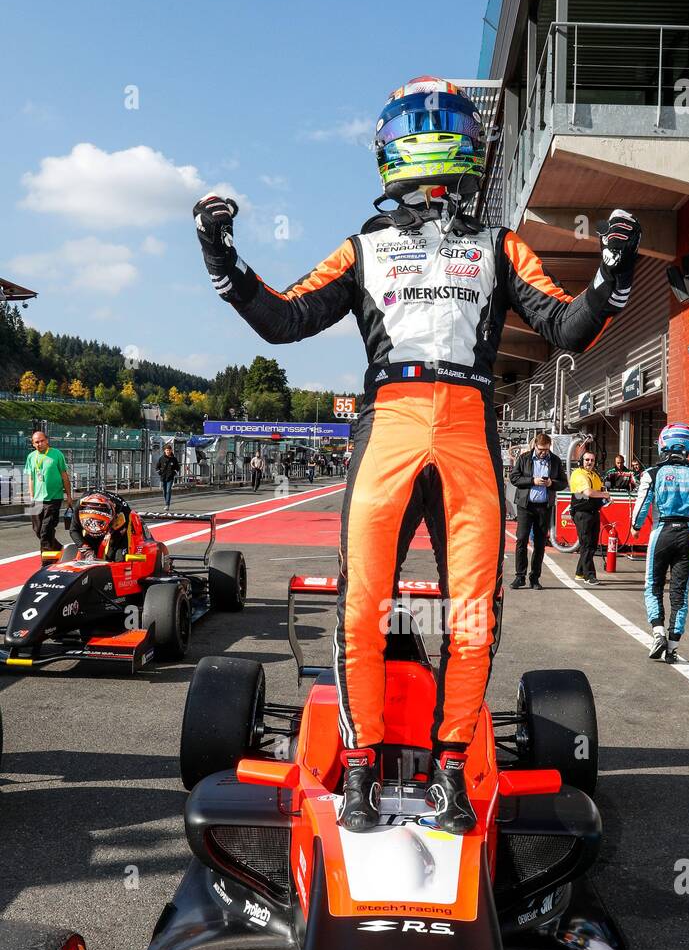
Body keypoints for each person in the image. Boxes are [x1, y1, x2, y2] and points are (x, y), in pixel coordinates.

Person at [193, 75, 640, 832]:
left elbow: (565, 330)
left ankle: (454, 770)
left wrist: (613, 278)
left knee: (473, 614)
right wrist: (224, 264)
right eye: (421, 125)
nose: (432, 135)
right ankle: (361, 769)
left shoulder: (502, 246)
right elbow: (286, 319)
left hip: (465, 425)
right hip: (395, 424)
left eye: (443, 124)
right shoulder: (366, 246)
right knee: (362, 606)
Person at [631, 423, 689, 663]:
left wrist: (636, 527)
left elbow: (642, 507)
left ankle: (658, 633)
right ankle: (674, 646)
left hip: (662, 531)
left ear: (664, 444)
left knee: (653, 585)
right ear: (688, 446)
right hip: (686, 534)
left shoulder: (653, 473)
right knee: (680, 592)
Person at [509, 431, 567, 588]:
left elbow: (563, 482)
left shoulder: (554, 461)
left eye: (546, 450)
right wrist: (532, 481)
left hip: (544, 507)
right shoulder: (524, 458)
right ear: (535, 445)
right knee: (521, 539)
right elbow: (514, 478)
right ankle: (520, 576)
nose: (543, 453)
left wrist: (551, 484)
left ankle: (535, 578)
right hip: (526, 506)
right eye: (541, 449)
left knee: (540, 542)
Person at [25, 429, 73, 552]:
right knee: (37, 529)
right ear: (33, 444)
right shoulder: (31, 457)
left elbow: (64, 476)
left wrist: (69, 496)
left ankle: (46, 561)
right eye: (36, 442)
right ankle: (57, 547)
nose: (39, 444)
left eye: (42, 441)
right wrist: (31, 497)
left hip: (53, 498)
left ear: (47, 441)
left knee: (46, 530)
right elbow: (30, 478)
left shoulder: (57, 454)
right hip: (36, 499)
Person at [570, 448, 608, 584]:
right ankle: (589, 575)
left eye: (592, 460)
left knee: (591, 545)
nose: (589, 462)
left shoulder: (595, 475)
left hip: (593, 512)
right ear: (581, 461)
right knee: (586, 544)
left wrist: (605, 498)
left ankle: (580, 572)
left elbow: (599, 491)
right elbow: (588, 492)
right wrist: (604, 495)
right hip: (582, 513)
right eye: (587, 460)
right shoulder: (578, 474)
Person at [69, 490, 133, 561]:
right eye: (90, 522)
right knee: (86, 554)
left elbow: (116, 540)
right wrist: (87, 551)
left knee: (118, 557)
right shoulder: (80, 505)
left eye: (100, 523)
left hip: (118, 524)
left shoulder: (122, 513)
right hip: (93, 530)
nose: (95, 526)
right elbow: (73, 530)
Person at [156, 443, 180, 507]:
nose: (168, 451)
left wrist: (174, 472)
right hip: (163, 477)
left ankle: (167, 504)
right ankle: (166, 500)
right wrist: (159, 472)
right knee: (164, 492)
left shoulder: (174, 459)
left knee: (168, 490)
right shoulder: (161, 458)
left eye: (169, 450)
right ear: (165, 451)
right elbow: (157, 467)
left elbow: (177, 467)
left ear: (171, 451)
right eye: (167, 450)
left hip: (170, 477)